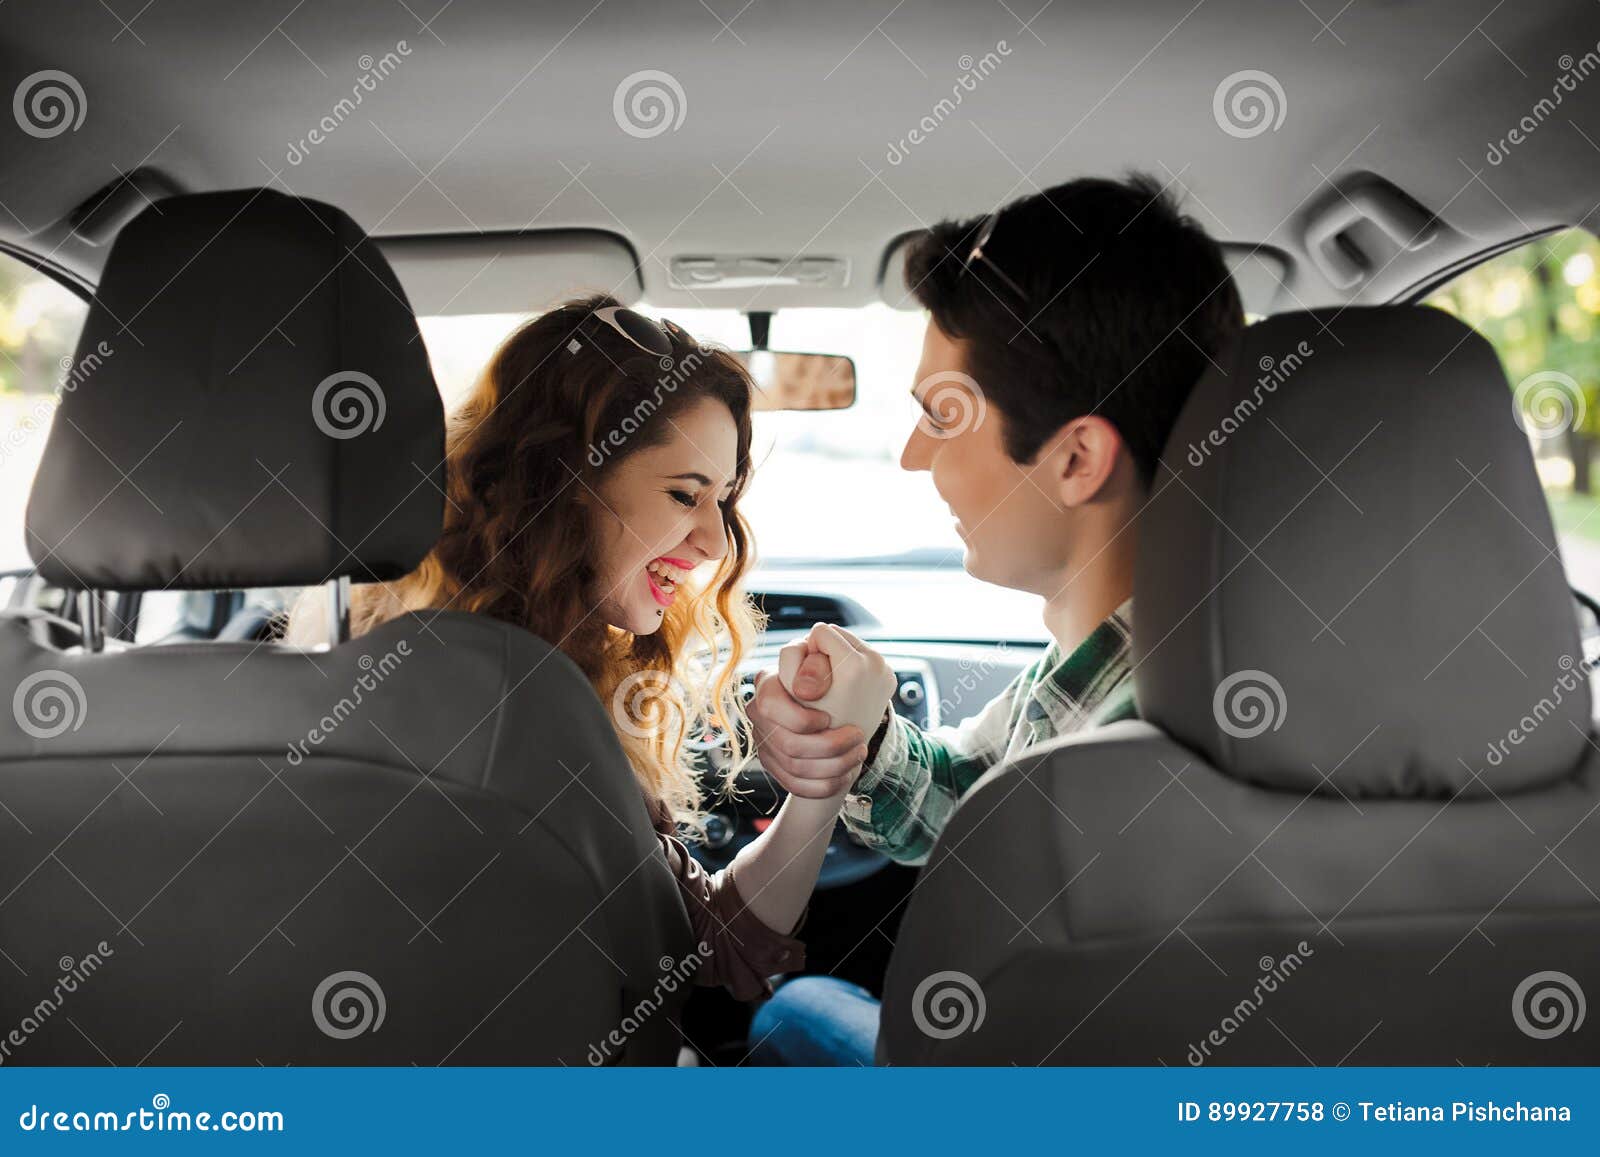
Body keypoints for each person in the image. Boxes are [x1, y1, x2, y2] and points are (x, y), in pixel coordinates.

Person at [744, 174, 1246, 1064]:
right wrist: (860, 738)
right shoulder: (1155, 661)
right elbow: (974, 790)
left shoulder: (1108, 762)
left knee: (793, 1012)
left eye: (942, 414)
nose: (910, 454)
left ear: (1078, 457)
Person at [285, 295, 868, 1006]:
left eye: (725, 500)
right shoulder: (543, 706)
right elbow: (707, 952)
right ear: (563, 484)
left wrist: (817, 789)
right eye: (687, 494)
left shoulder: (343, 665)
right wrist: (821, 792)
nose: (717, 543)